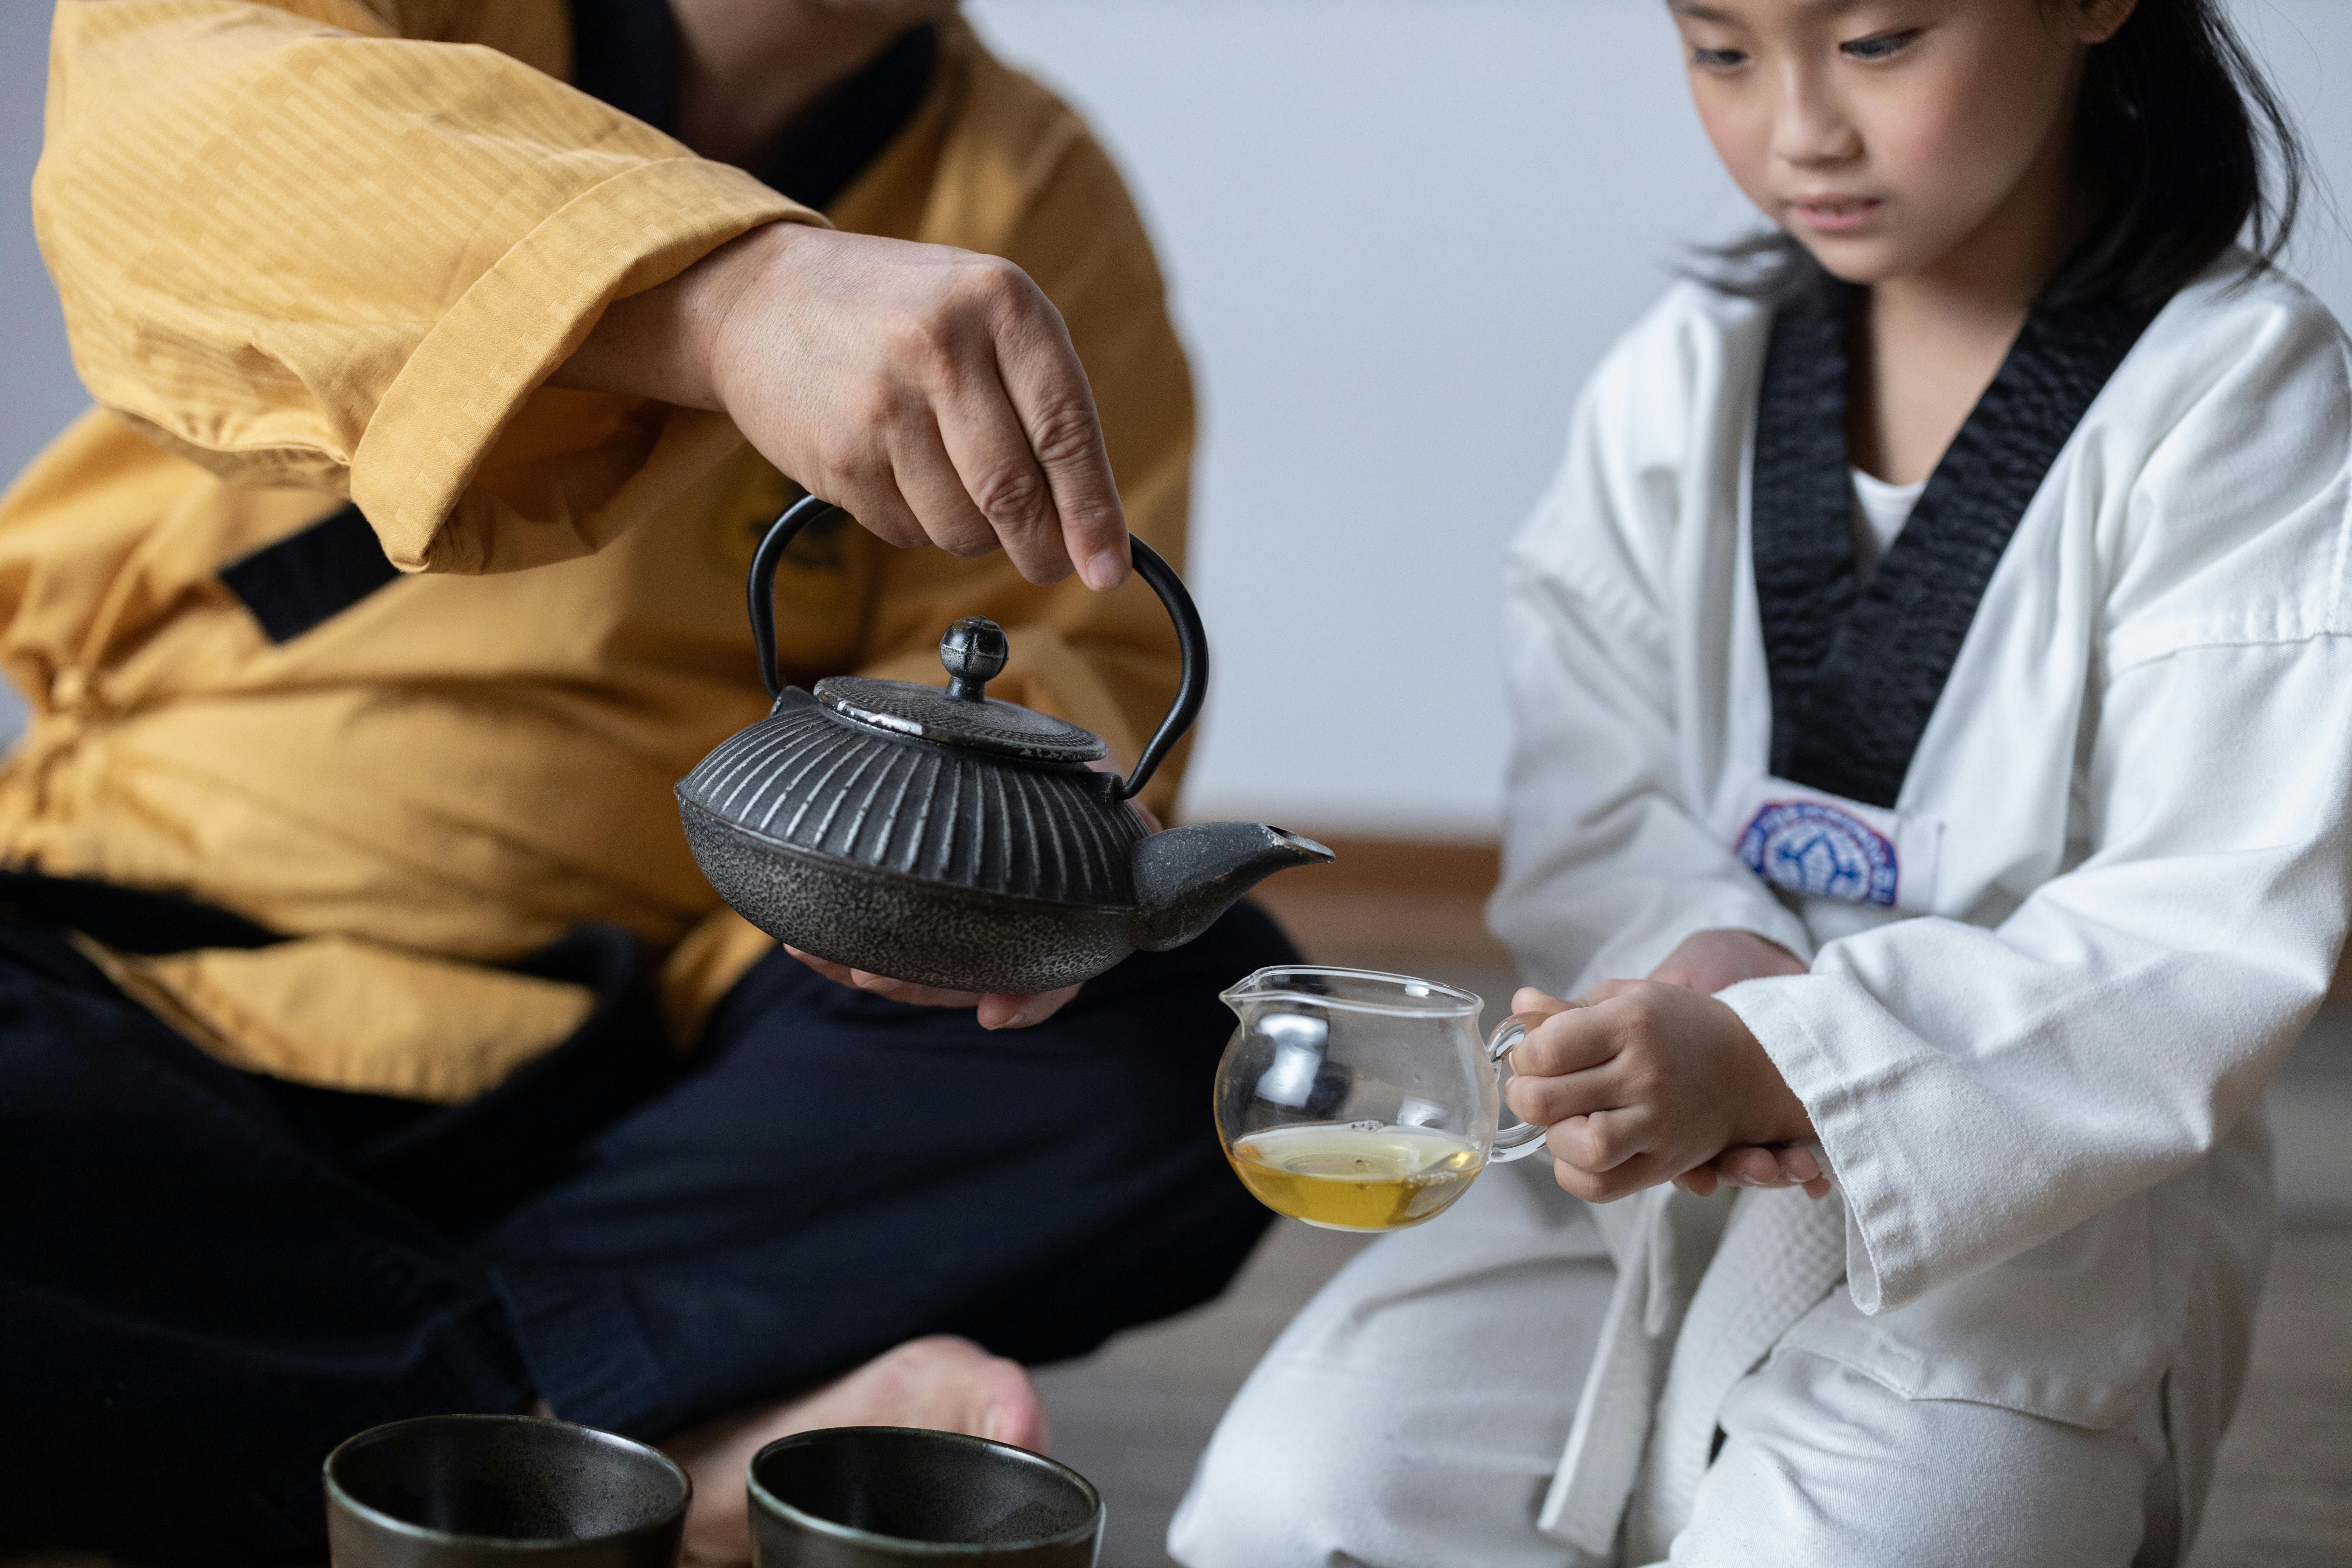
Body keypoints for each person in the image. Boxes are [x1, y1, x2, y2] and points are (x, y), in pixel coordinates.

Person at [0, 2, 1292, 1562]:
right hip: (141, 991)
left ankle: (376, 1423)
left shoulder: (1028, 185)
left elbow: (1058, 659)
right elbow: (157, 142)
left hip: (648, 1082)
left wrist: (998, 888)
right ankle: (615, 1442)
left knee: (1196, 1036)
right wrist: (727, 294)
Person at [1172, 1, 2347, 1563]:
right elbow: (1593, 800)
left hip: (2013, 1237)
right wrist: (1709, 966)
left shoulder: (2241, 395)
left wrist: (1794, 1057)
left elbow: (2204, 926)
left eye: (1880, 41)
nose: (1800, 131)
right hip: (1642, 1187)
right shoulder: (1686, 378)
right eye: (1724, 52)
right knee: (1303, 1501)